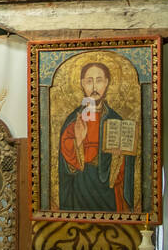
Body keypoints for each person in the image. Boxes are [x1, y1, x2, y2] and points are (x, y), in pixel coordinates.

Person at [57, 62, 135, 212]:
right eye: (89, 81)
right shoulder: (74, 120)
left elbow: (126, 170)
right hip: (81, 186)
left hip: (108, 191)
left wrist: (119, 158)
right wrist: (78, 140)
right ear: (82, 84)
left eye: (99, 80)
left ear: (106, 83)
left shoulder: (116, 120)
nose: (94, 88)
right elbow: (65, 165)